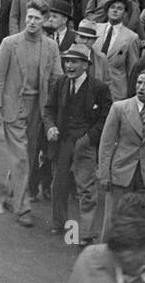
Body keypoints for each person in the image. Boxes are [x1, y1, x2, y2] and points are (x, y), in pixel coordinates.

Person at [0, 0, 63, 225]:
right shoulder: (10, 43)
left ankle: (10, 195)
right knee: (20, 157)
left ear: (45, 21)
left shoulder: (50, 46)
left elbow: (57, 78)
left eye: (36, 18)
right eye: (29, 17)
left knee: (28, 155)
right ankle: (22, 207)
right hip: (13, 106)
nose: (31, 21)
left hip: (38, 109)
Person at [43, 44, 111, 242]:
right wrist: (50, 126)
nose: (69, 66)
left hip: (85, 143)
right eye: (67, 61)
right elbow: (49, 110)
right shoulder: (61, 83)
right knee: (59, 185)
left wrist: (88, 139)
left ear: (85, 65)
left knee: (86, 188)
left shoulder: (99, 88)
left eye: (74, 62)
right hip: (63, 141)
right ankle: (59, 223)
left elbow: (105, 119)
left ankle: (87, 233)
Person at [98, 70, 145, 238]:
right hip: (121, 171)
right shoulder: (119, 107)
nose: (141, 87)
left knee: (142, 222)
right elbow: (106, 143)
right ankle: (106, 255)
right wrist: (104, 175)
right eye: (139, 82)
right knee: (113, 220)